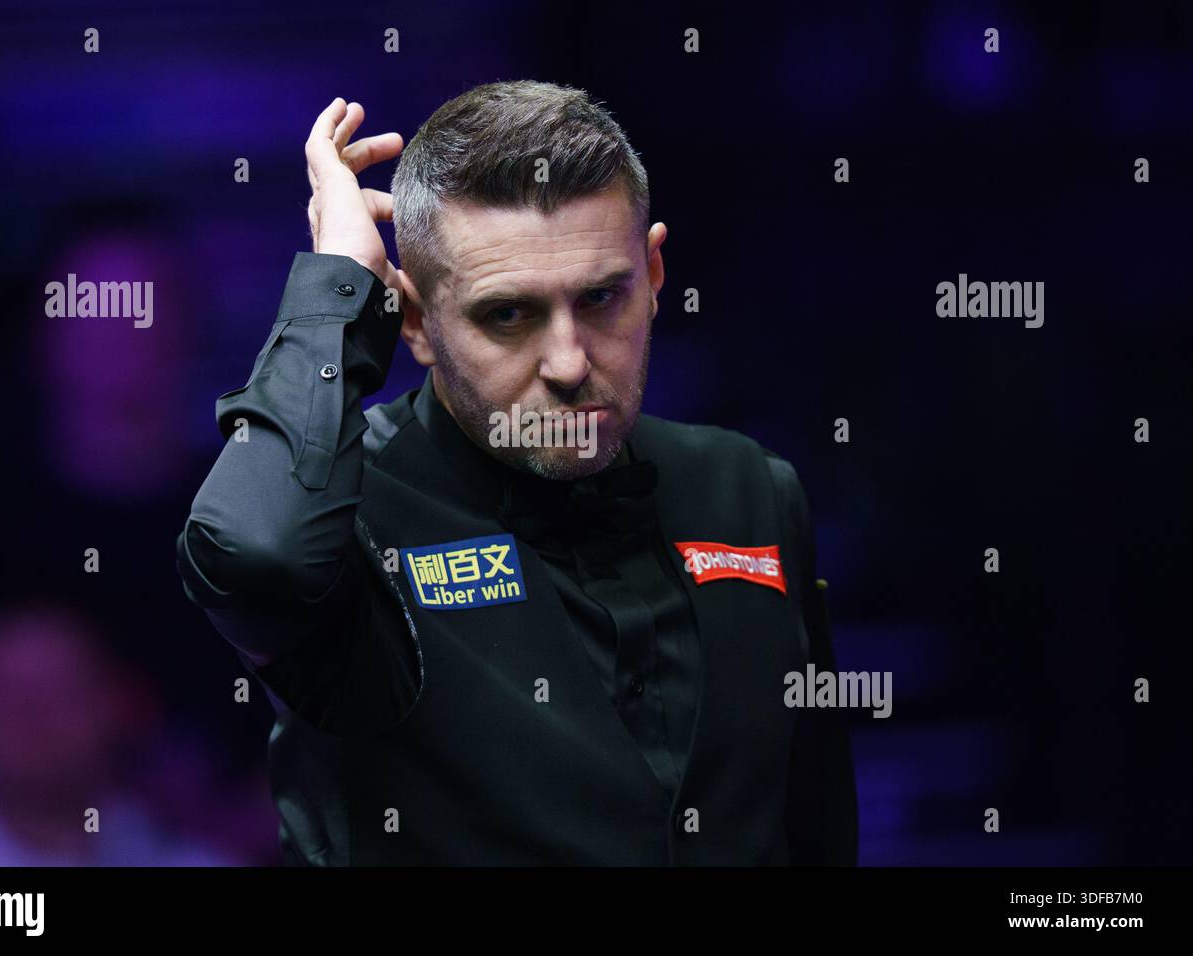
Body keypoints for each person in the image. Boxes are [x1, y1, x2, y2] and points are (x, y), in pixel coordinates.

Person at [176, 80, 857, 865]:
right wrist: (336, 291)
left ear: (656, 277)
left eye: (603, 297)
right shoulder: (350, 515)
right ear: (417, 322)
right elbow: (251, 559)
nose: (570, 362)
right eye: (508, 314)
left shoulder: (750, 490)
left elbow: (818, 833)